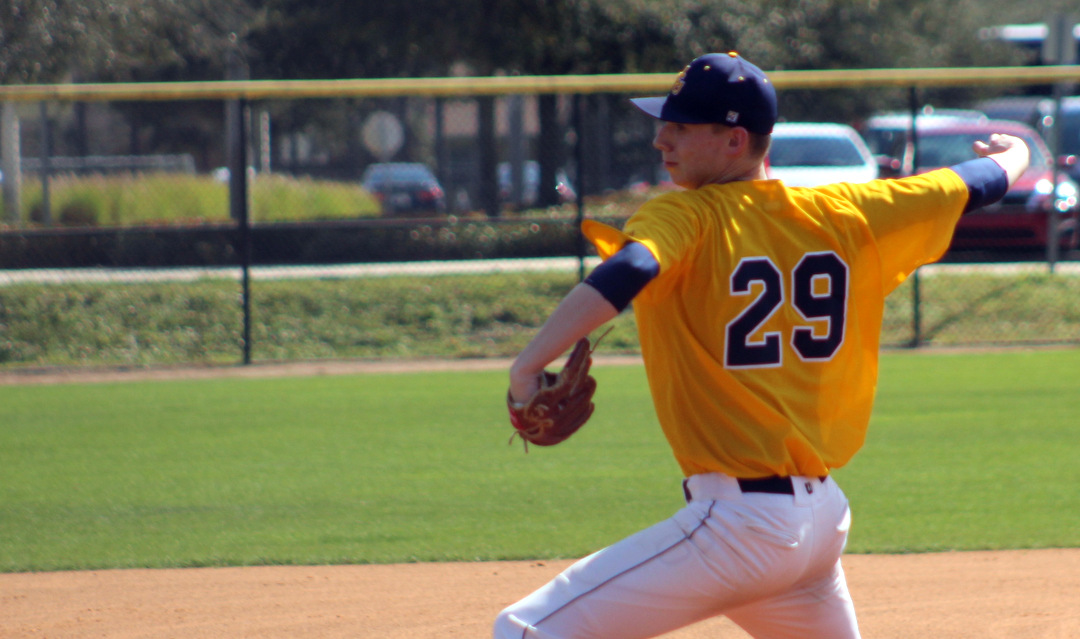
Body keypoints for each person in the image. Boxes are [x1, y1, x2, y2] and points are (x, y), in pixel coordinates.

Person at [494, 51, 1030, 639]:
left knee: (524, 630)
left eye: (681, 126)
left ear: (734, 140)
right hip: (818, 525)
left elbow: (633, 266)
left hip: (741, 528)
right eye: (664, 122)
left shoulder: (689, 215)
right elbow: (978, 184)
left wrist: (528, 365)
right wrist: (1016, 153)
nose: (661, 139)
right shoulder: (846, 210)